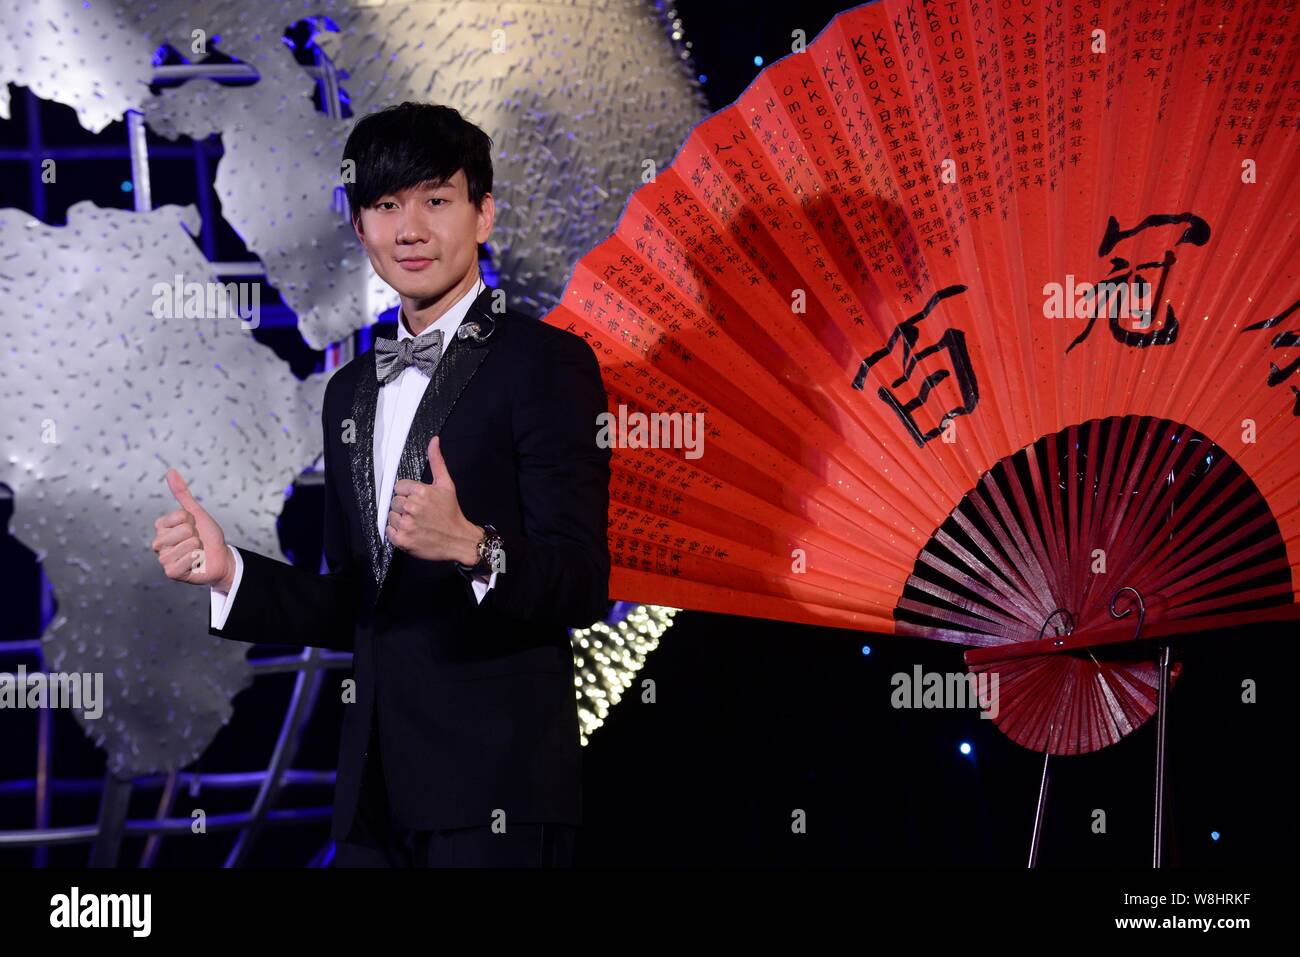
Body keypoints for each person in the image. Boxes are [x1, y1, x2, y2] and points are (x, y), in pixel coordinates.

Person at [150, 102, 611, 867]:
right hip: (371, 796)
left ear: (483, 214)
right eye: (386, 205)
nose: (411, 229)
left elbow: (584, 582)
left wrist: (473, 546)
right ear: (361, 227)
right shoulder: (349, 391)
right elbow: (359, 602)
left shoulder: (546, 364)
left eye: (436, 200)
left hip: (496, 792)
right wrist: (231, 572)